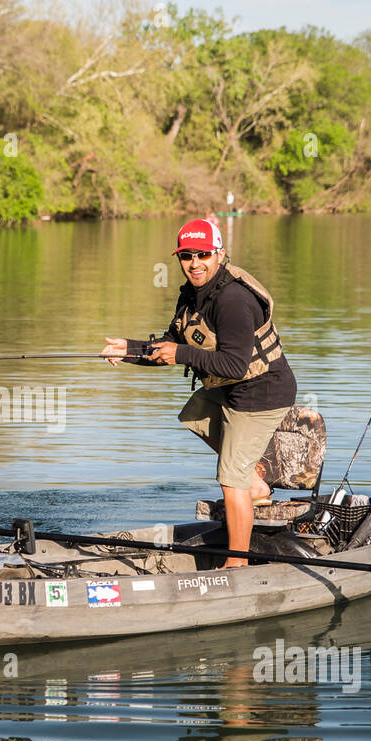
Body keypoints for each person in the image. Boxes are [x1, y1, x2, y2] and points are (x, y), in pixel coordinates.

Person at [101, 218, 297, 568]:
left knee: (229, 479)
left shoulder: (233, 299)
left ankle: (237, 563)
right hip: (231, 389)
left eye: (203, 254)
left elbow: (235, 365)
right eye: (186, 256)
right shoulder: (192, 296)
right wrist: (127, 348)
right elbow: (172, 346)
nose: (194, 263)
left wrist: (180, 355)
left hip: (261, 393)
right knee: (195, 413)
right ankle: (255, 483)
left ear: (219, 253)